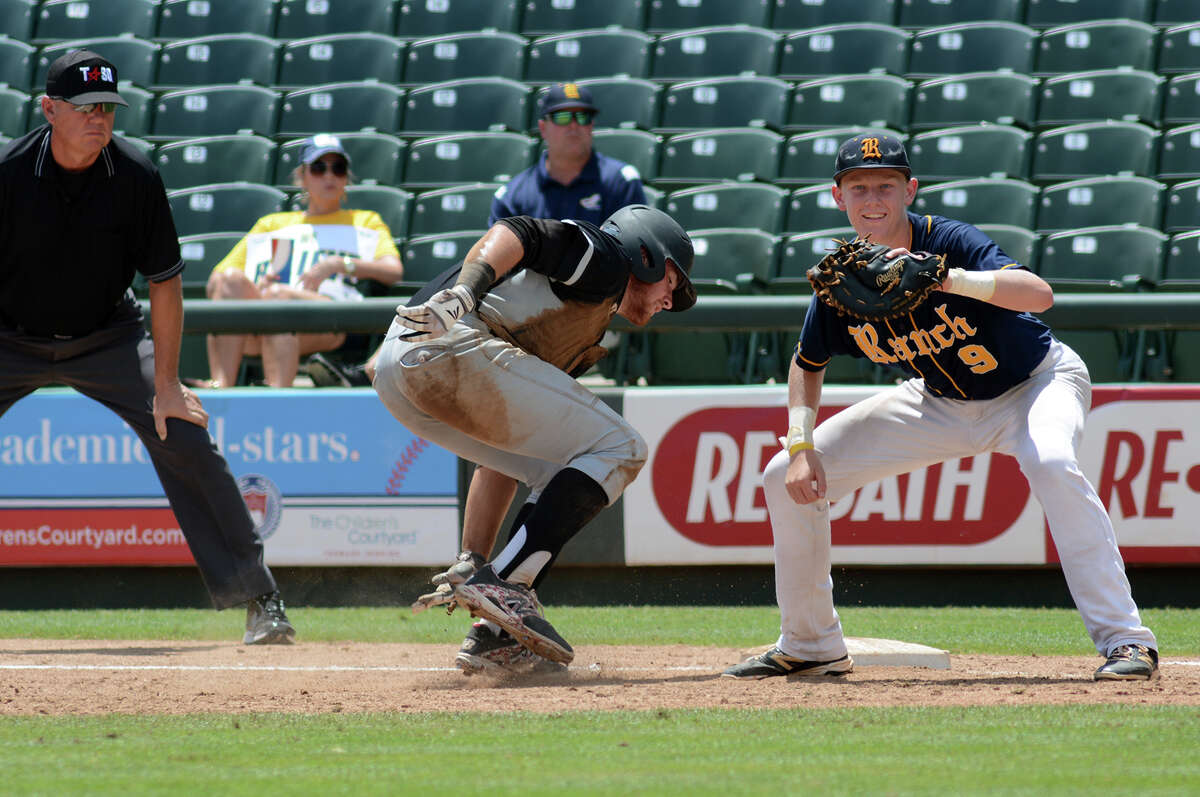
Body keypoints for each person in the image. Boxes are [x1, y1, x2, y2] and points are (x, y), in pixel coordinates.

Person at [722, 134, 1159, 682]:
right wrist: (801, 443)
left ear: (910, 190)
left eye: (885, 185)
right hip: (936, 402)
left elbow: (1038, 294)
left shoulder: (947, 240)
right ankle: (811, 644)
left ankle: (1127, 642)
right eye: (858, 188)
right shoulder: (843, 279)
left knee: (1051, 463)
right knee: (781, 473)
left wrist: (948, 277)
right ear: (838, 197)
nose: (872, 199)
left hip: (1035, 385)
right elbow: (807, 364)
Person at [0, 49, 294, 644]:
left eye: (107, 106)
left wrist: (166, 385)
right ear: (49, 110)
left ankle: (259, 598)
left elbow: (164, 283)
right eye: (84, 107)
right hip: (9, 335)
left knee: (181, 429)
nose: (98, 118)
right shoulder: (7, 173)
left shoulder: (134, 175)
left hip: (108, 334)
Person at [374, 204, 695, 674]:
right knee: (622, 447)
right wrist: (465, 292)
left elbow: (506, 459)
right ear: (647, 253)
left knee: (558, 470)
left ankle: (496, 634)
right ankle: (505, 584)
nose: (670, 299)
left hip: (397, 371)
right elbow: (517, 231)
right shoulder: (608, 261)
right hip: (449, 340)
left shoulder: (589, 317)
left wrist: (473, 557)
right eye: (673, 281)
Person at [306, 81, 645, 389]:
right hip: (527, 298)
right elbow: (500, 260)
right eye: (562, 117)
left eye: (583, 118)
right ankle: (380, 368)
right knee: (463, 284)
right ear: (543, 127)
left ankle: (375, 373)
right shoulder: (516, 192)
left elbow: (633, 252)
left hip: (594, 305)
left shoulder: (619, 181)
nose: (574, 125)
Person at [205, 134, 403, 387]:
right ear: (302, 176)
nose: (329, 176)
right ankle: (220, 387)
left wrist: (341, 264)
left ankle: (278, 395)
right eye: (319, 168)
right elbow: (217, 281)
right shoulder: (273, 224)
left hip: (332, 318)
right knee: (232, 281)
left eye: (338, 168)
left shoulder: (364, 220)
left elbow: (393, 270)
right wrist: (259, 282)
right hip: (265, 315)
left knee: (279, 298)